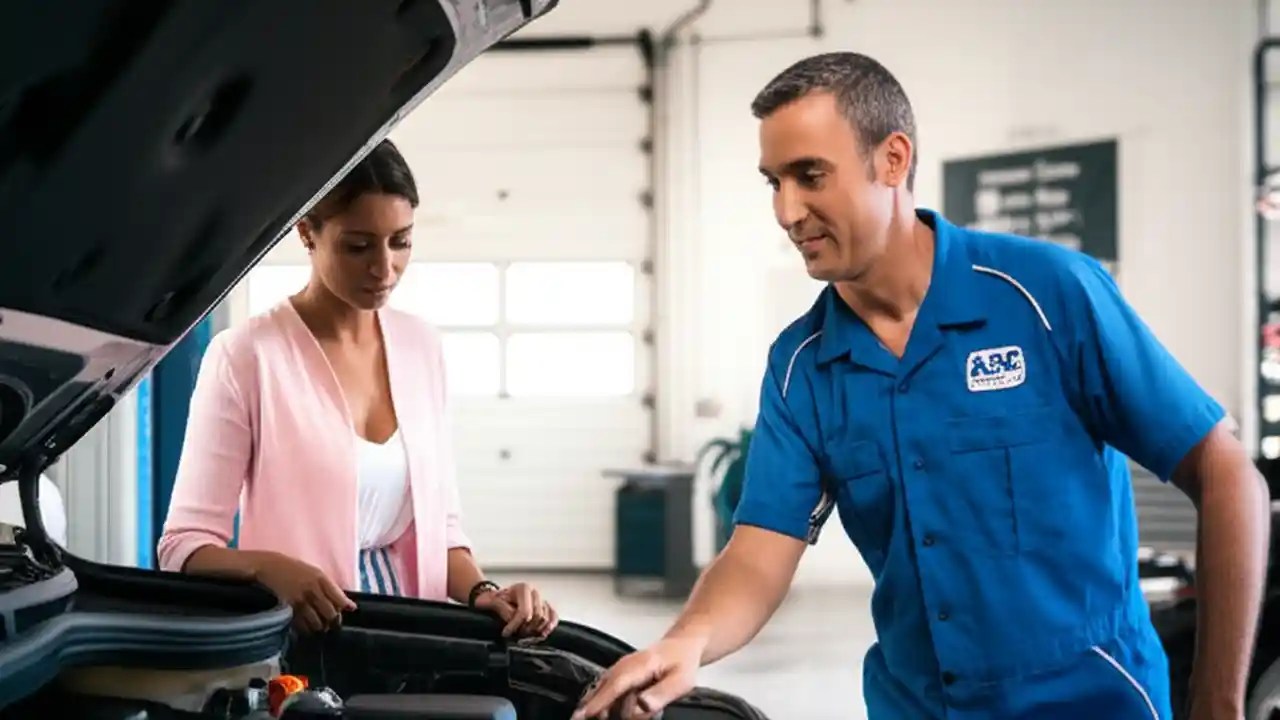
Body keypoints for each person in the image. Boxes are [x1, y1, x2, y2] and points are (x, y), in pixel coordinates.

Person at [575, 52, 1272, 720]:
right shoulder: (801, 366)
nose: (787, 211)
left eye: (810, 175)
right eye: (773, 182)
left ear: (893, 159)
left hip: (1096, 703)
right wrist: (686, 641)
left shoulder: (1048, 296)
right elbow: (759, 550)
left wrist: (1216, 705)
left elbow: (1225, 472)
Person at [158, 139, 558, 639]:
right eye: (359, 245)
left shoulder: (421, 346)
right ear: (307, 232)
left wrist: (484, 592)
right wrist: (267, 568)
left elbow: (439, 528)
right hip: (301, 644)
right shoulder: (246, 356)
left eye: (401, 241)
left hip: (413, 635)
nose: (384, 268)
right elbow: (182, 545)